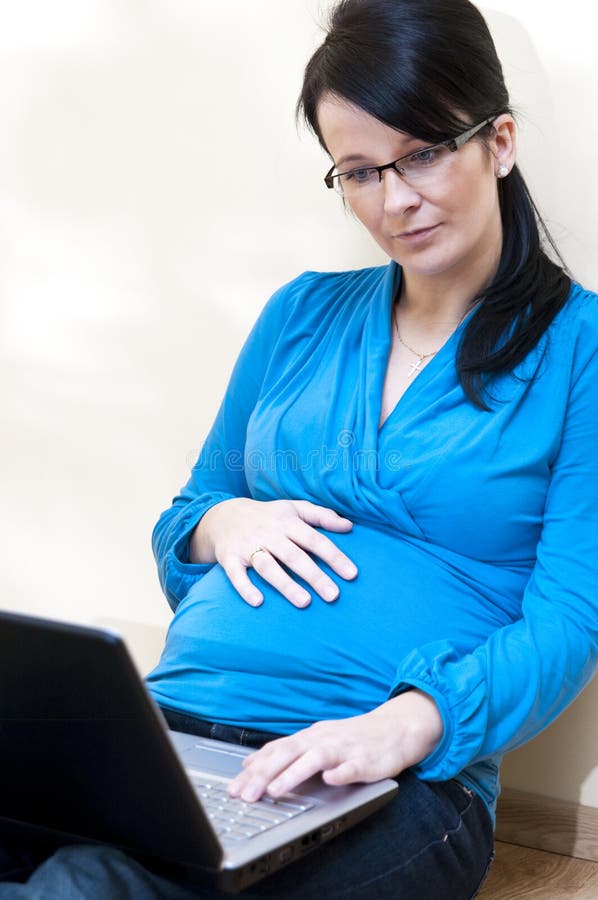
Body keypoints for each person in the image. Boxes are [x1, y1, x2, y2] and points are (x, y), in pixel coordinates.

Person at [2, 0, 597, 897]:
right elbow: (185, 521)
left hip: (388, 779)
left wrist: (407, 723)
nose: (395, 200)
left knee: (89, 886)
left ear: (500, 141)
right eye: (359, 172)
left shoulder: (581, 349)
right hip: (175, 737)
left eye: (425, 152)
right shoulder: (299, 316)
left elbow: (569, 623)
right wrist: (226, 522)